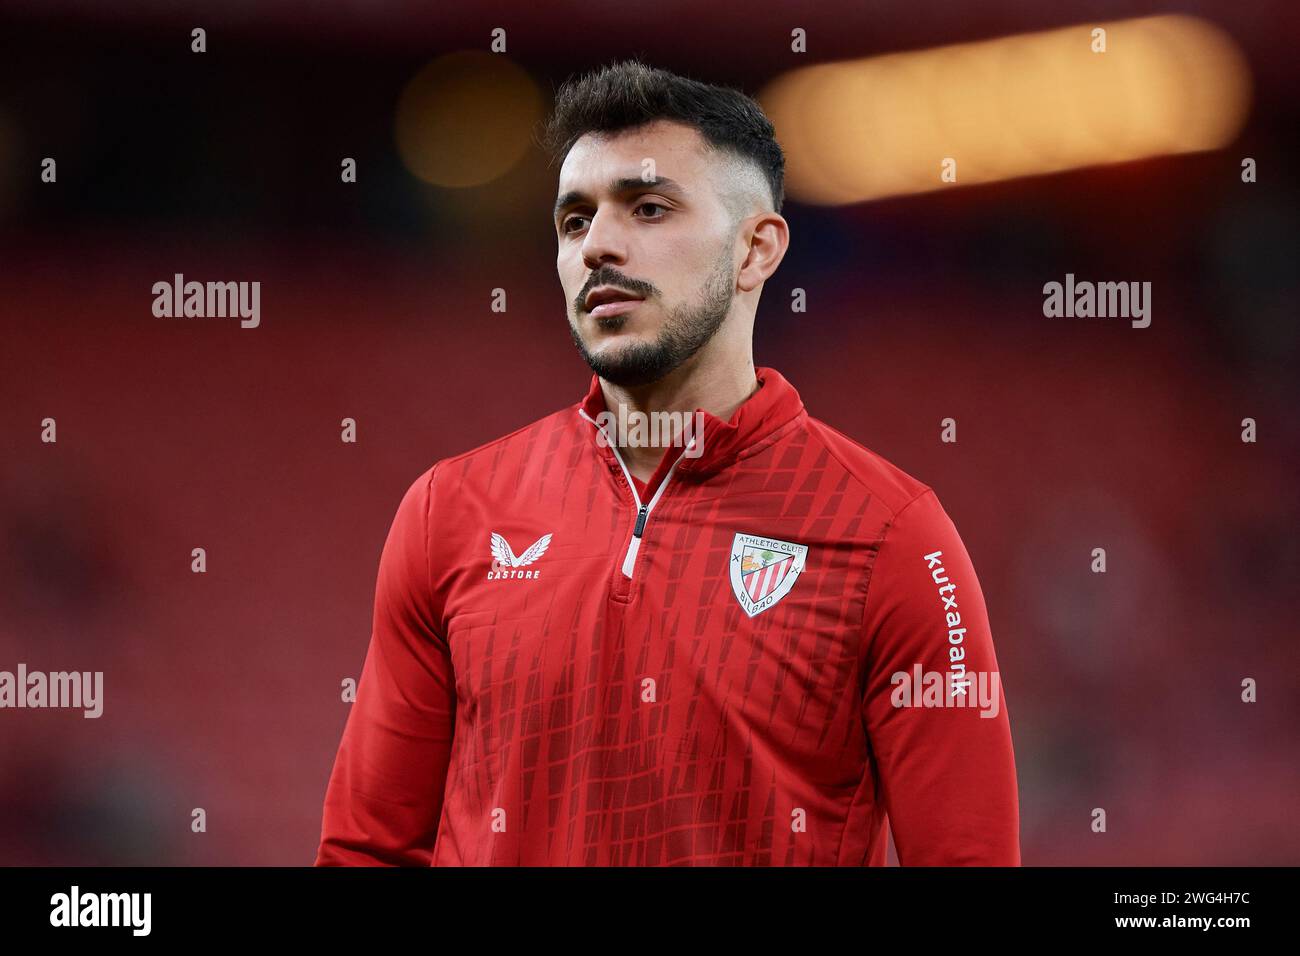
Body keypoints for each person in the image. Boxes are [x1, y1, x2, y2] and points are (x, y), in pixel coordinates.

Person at [315, 59, 1019, 866]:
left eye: (648, 209)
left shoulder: (892, 538)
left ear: (757, 250)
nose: (599, 248)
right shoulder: (452, 510)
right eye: (574, 221)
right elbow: (366, 849)